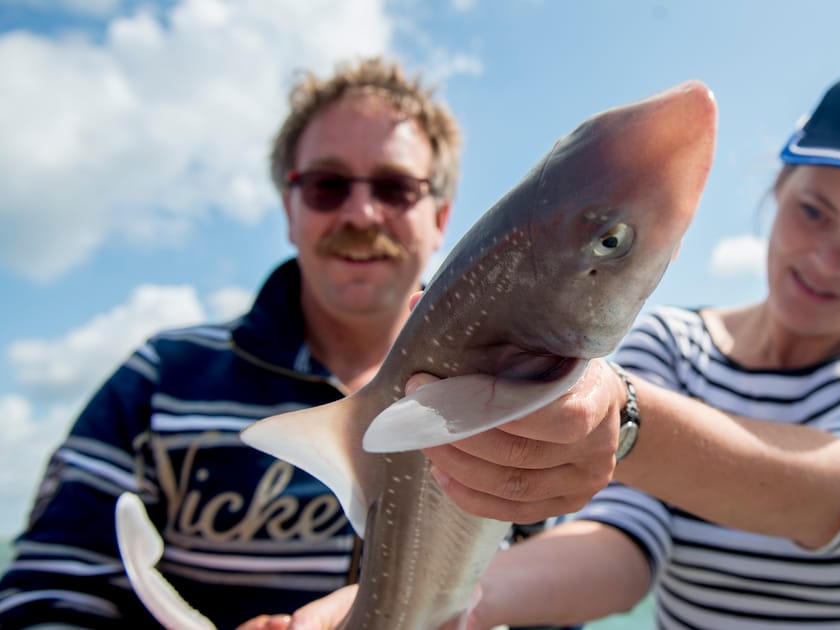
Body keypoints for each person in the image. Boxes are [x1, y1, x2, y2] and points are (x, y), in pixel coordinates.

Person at [282, 68, 840, 629]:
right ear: (778, 187)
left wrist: (624, 424)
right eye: (816, 210)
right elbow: (622, 548)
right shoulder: (670, 347)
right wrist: (432, 608)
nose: (830, 260)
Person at [0, 57, 620, 629]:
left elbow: (552, 600)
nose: (361, 214)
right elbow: (47, 593)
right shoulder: (161, 379)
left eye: (394, 188)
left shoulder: (525, 398)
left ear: (439, 216)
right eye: (328, 186)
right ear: (290, 207)